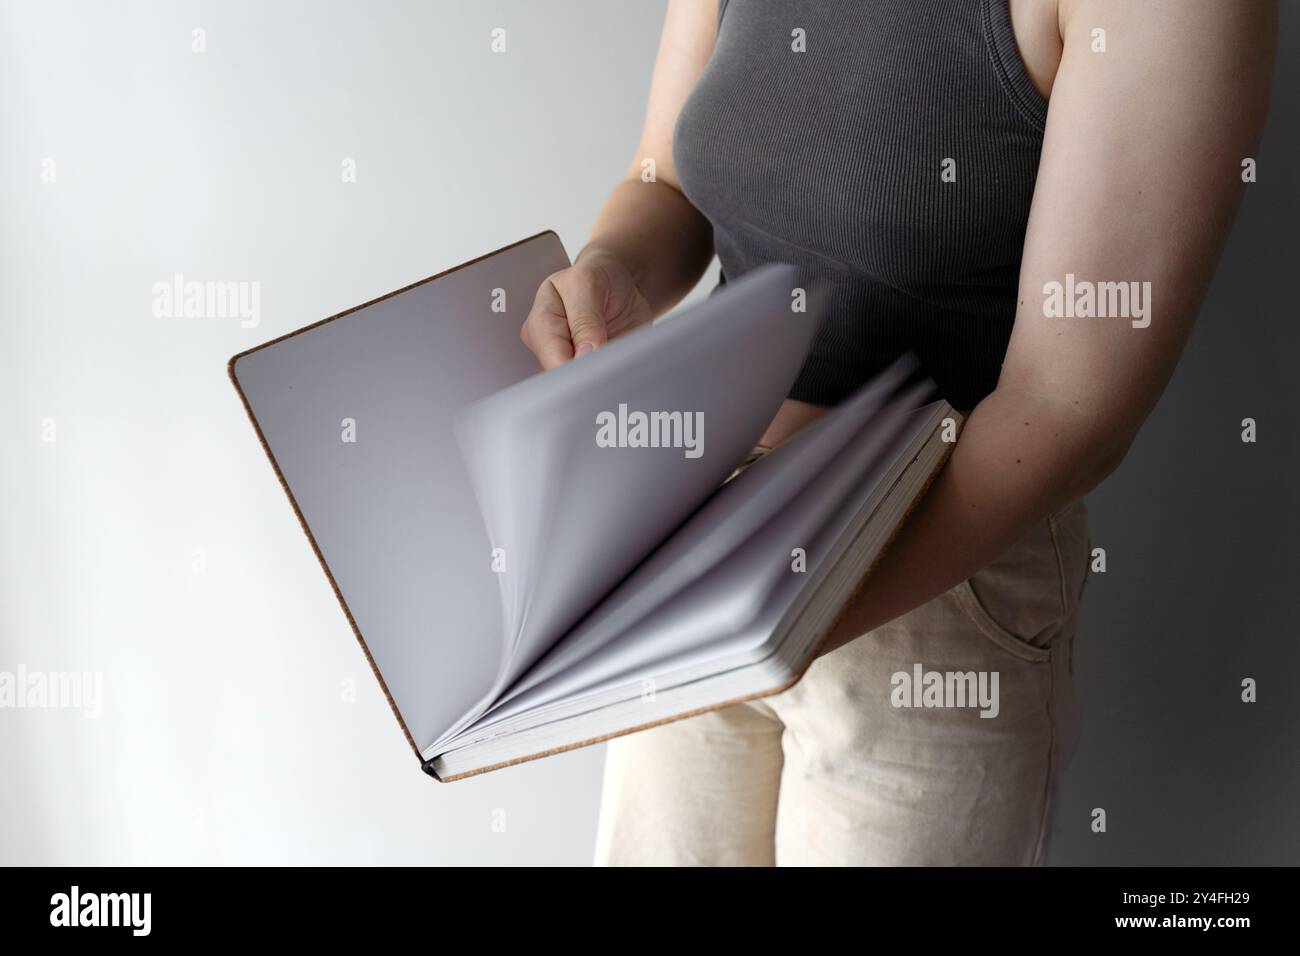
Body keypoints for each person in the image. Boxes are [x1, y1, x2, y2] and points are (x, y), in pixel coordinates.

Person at [519, 0, 1277, 866]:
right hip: (697, 538)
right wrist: (611, 268)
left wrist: (777, 615)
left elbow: (1071, 410)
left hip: (941, 577)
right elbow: (667, 182)